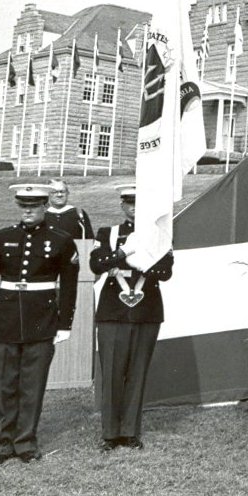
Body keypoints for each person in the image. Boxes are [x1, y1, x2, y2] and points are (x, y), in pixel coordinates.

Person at [0, 183, 79, 464]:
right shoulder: (0, 238)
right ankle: (3, 441)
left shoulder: (61, 240)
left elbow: (69, 287)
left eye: (34, 206)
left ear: (45, 206)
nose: (28, 211)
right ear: (18, 207)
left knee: (32, 384)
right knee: (4, 382)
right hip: (5, 319)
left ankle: (25, 442)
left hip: (41, 320)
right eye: (23, 206)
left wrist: (64, 324)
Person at [90, 185, 172, 451]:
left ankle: (130, 432)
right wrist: (124, 253)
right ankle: (110, 434)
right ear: (122, 205)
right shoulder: (108, 233)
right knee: (112, 372)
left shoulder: (161, 234)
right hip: (113, 309)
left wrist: (134, 262)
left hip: (146, 308)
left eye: (139, 203)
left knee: (137, 372)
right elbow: (96, 263)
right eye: (128, 202)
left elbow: (165, 271)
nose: (134, 207)